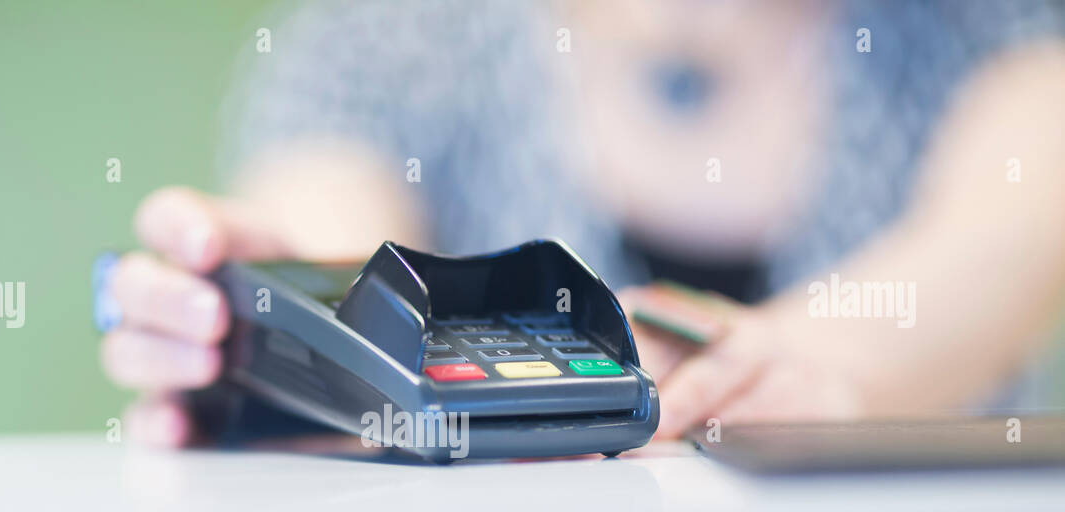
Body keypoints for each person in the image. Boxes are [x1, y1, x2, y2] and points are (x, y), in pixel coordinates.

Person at [98, 0, 1065, 448]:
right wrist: (293, 352)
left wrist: (813, 368)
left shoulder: (1000, 33)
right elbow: (331, 249)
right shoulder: (385, 44)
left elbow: (996, 257)